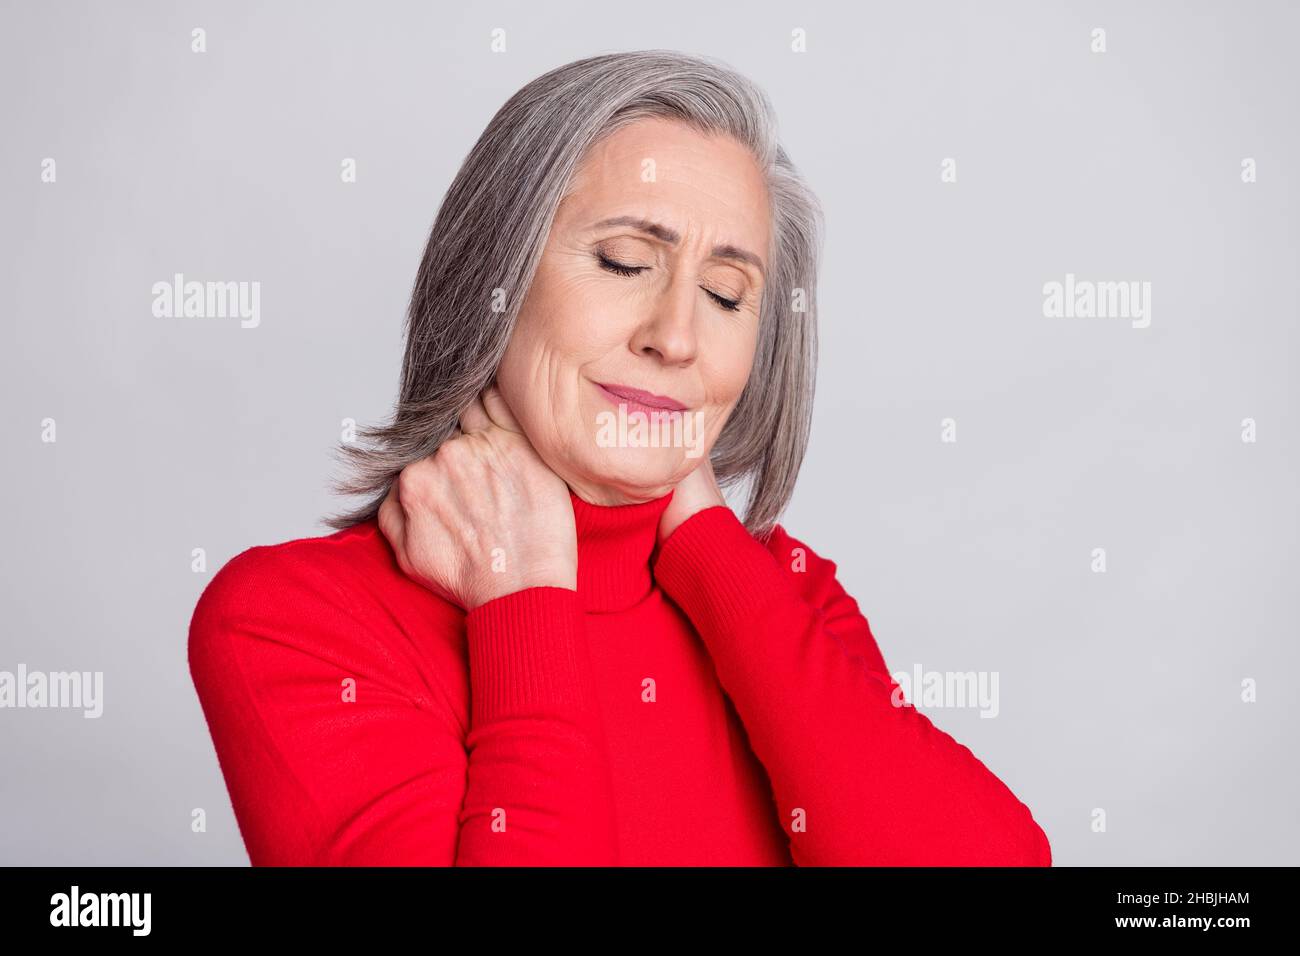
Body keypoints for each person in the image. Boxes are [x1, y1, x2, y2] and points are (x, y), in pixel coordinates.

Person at [188, 49, 1052, 866]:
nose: (675, 337)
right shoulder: (294, 622)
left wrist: (713, 549)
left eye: (725, 294)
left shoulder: (783, 594)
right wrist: (523, 603)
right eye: (625, 262)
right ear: (494, 278)